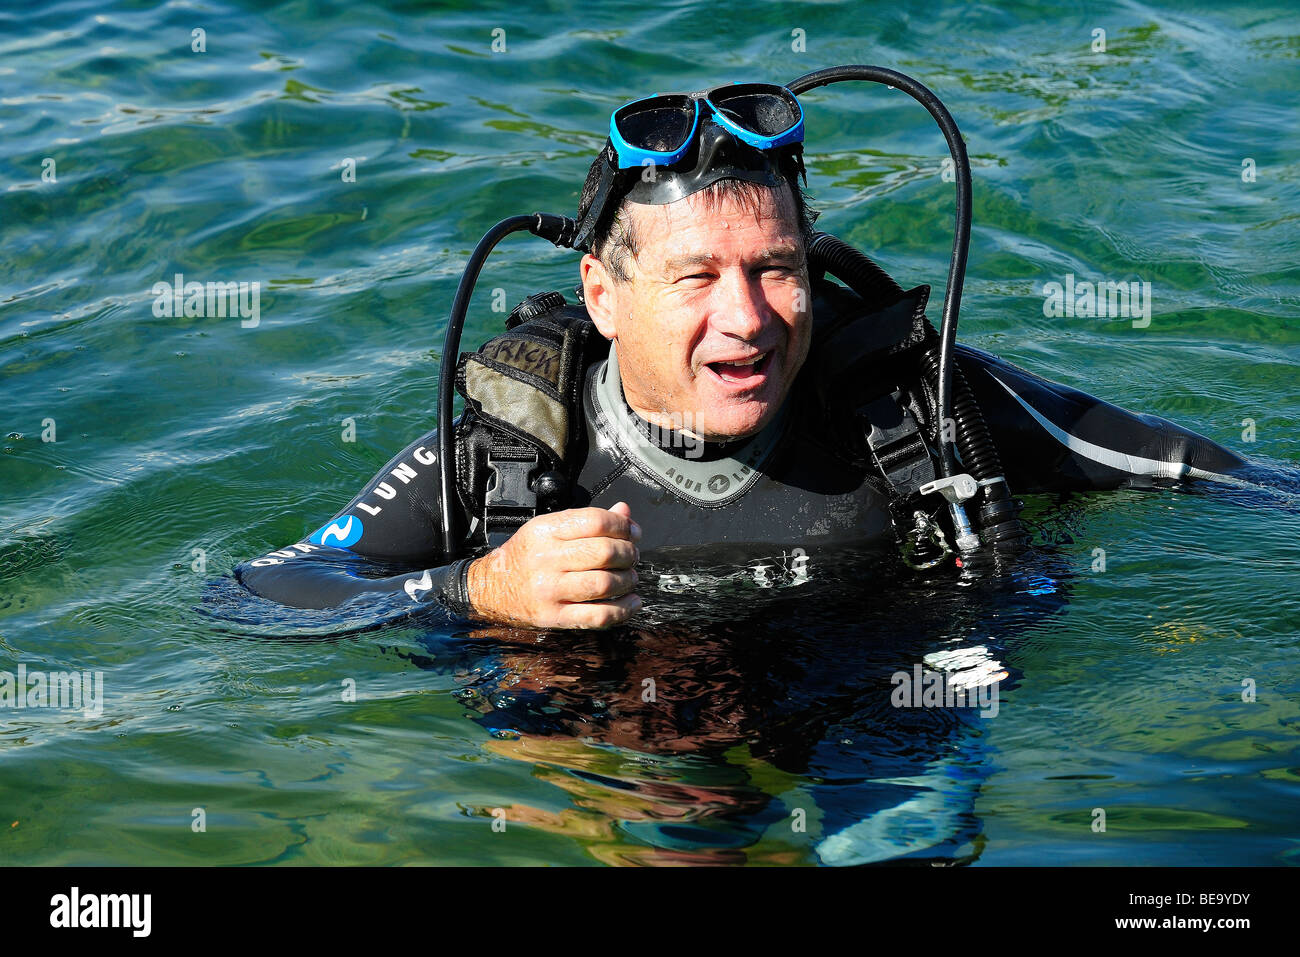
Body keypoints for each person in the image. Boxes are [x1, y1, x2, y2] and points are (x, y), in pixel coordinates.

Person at [233, 81, 1247, 629]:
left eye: (773, 267)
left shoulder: (913, 404)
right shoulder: (509, 456)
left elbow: (1196, 470)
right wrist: (472, 589)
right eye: (694, 278)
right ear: (604, 296)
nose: (748, 317)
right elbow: (256, 594)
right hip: (630, 748)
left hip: (877, 711)